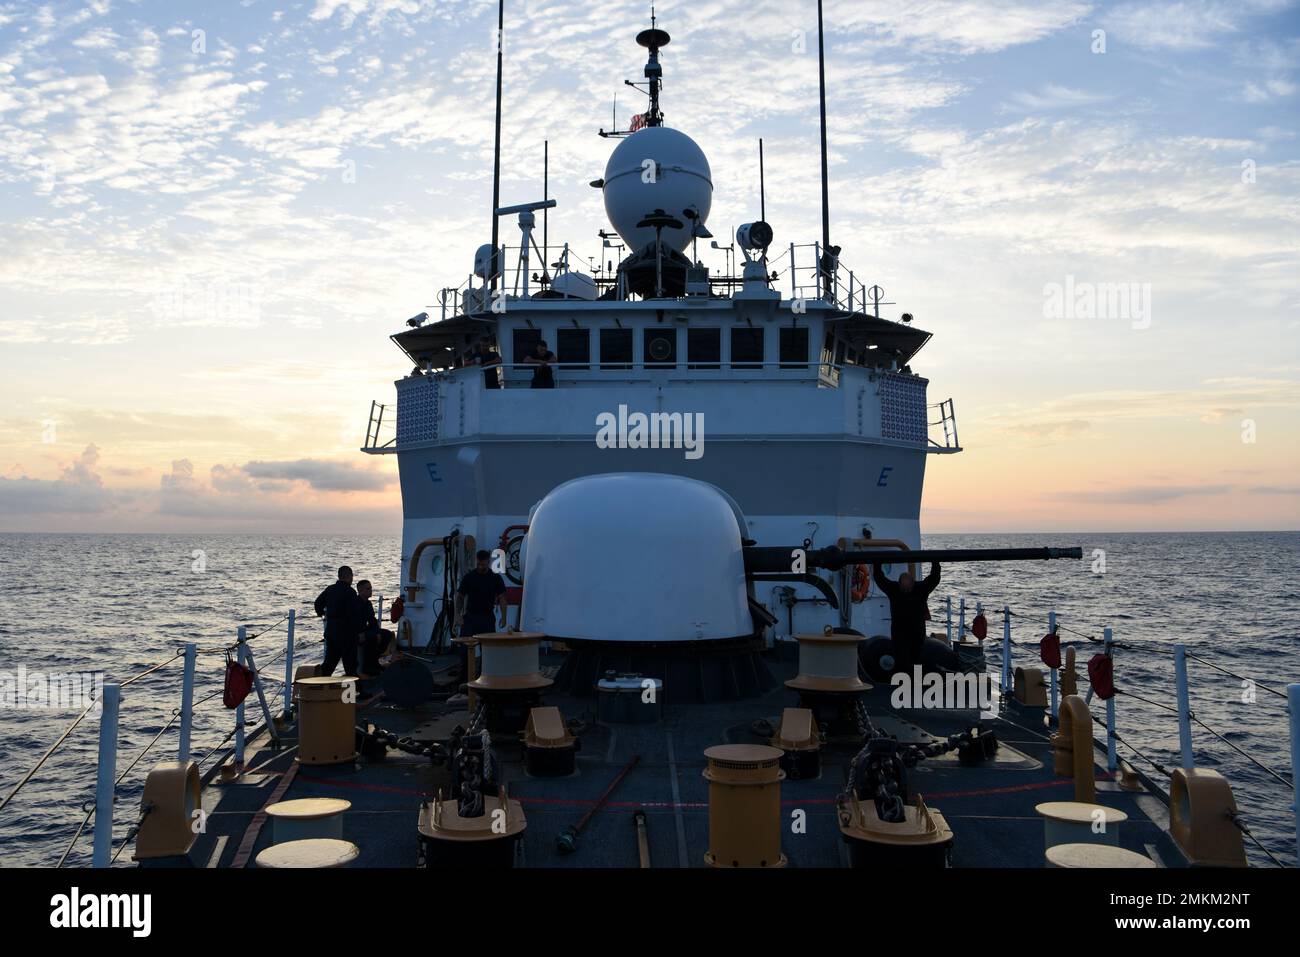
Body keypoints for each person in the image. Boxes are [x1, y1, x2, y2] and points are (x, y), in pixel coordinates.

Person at [872, 561, 941, 676]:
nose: (906, 592)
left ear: (913, 584)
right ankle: (902, 684)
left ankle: (914, 683)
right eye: (904, 589)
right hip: (900, 634)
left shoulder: (921, 589)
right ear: (899, 584)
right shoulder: (894, 589)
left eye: (908, 589)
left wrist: (935, 562)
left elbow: (934, 578)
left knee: (916, 659)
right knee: (901, 661)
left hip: (916, 634)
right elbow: (879, 578)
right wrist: (877, 562)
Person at [456, 549, 508, 674]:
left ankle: (485, 675)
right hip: (471, 617)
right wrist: (457, 615)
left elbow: (502, 598)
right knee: (464, 649)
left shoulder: (495, 578)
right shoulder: (469, 577)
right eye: (478, 564)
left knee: (487, 650)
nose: (480, 566)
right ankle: (466, 675)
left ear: (488, 562)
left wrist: (504, 617)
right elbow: (460, 597)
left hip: (487, 618)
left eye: (483, 565)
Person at [314, 565, 361, 677]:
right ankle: (356, 691)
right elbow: (355, 614)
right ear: (350, 576)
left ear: (339, 576)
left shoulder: (330, 589)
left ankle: (321, 688)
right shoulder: (351, 592)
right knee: (350, 666)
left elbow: (317, 604)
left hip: (332, 632)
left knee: (329, 664)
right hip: (347, 634)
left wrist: (321, 613)